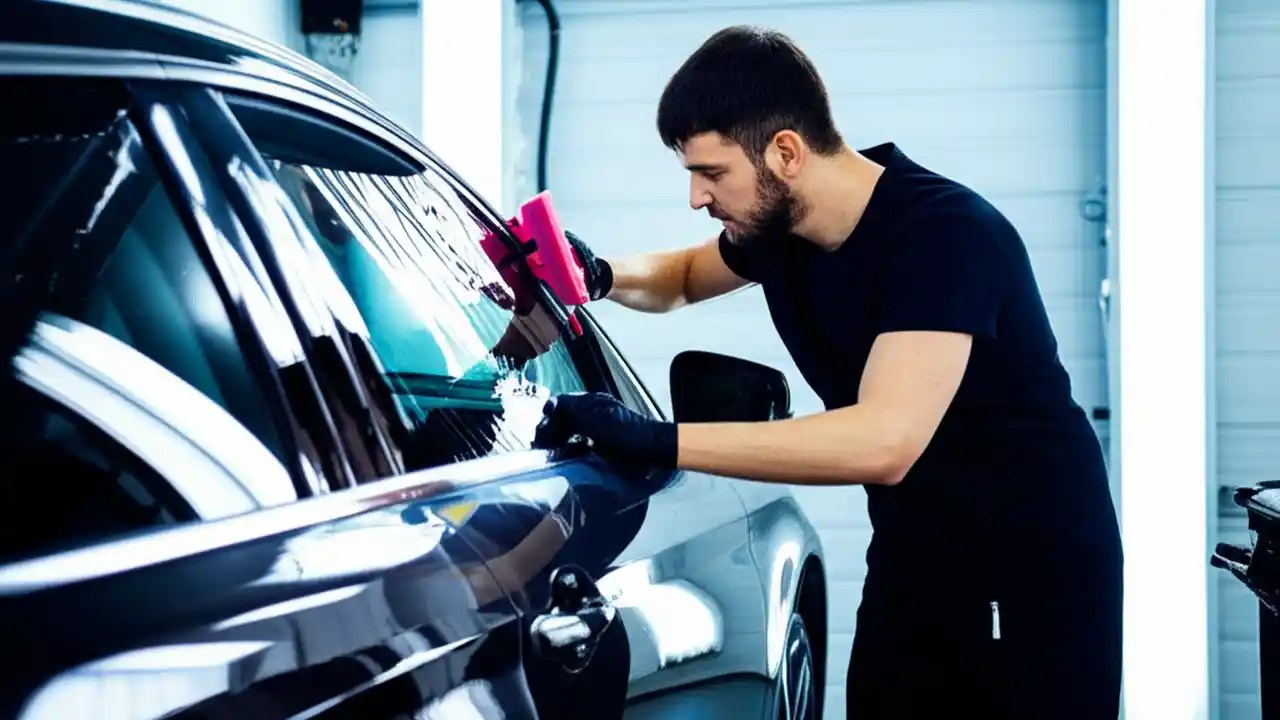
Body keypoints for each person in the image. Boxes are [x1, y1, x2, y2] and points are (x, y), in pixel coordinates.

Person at [534, 24, 1123, 720]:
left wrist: (658, 439)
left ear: (785, 151)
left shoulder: (945, 236)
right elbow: (685, 277)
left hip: (1027, 570)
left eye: (712, 173)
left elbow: (883, 442)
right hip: (913, 552)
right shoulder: (782, 233)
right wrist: (595, 275)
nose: (697, 196)